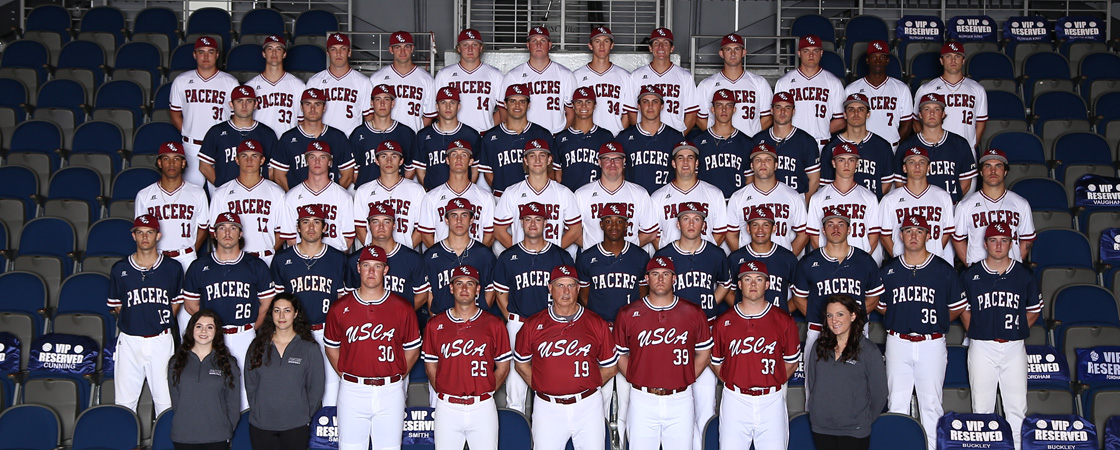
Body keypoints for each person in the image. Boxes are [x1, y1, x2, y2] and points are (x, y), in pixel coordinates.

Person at [878, 215, 967, 450]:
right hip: (898, 341)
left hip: (932, 342)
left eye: (919, 231)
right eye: (909, 231)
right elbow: (880, 304)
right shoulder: (889, 271)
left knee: (931, 405)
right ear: (901, 236)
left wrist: (937, 321)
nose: (914, 235)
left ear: (928, 235)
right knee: (896, 403)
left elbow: (958, 306)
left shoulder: (943, 269)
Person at [324, 245, 421, 450]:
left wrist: (399, 375)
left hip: (390, 389)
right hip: (352, 390)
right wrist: (346, 374)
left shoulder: (402, 307)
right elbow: (332, 347)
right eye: (366, 265)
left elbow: (412, 349)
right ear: (358, 268)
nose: (371, 271)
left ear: (385, 270)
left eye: (377, 266)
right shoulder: (340, 307)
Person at [651, 202, 732, 448]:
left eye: (696, 219)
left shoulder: (716, 254)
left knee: (705, 404)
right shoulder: (664, 254)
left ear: (703, 224)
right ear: (678, 224)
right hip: (674, 334)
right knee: (676, 399)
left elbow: (725, 284)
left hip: (705, 331)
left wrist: (708, 305)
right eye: (686, 219)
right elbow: (655, 289)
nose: (691, 224)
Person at [514, 265, 619, 450]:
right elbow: (521, 365)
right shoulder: (533, 324)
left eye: (571, 285)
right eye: (560, 285)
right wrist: (543, 385)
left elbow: (610, 367)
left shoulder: (595, 323)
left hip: (588, 406)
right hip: (547, 408)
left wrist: (586, 385)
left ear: (578, 289)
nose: (566, 291)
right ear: (550, 288)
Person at [614, 256, 713, 450]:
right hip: (643, 399)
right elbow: (620, 355)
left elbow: (704, 352)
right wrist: (637, 377)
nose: (660, 279)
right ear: (647, 279)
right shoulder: (628, 313)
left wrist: (685, 376)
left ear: (674, 279)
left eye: (666, 274)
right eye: (655, 274)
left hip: (680, 399)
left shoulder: (693, 312)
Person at [960, 221, 1042, 450]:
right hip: (982, 346)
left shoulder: (1024, 274)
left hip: (1014, 347)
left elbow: (1034, 309)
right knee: (982, 408)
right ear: (985, 244)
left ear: (1011, 243)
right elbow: (963, 309)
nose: (998, 245)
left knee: (1016, 408)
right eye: (994, 240)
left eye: (1004, 240)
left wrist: (1016, 330)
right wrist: (975, 328)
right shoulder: (971, 274)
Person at [182, 212, 276, 409]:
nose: (227, 232)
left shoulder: (255, 265)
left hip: (244, 334)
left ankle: (243, 438)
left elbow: (266, 304)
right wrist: (210, 329)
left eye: (233, 228)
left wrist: (251, 327)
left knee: (246, 389)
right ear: (214, 234)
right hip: (211, 338)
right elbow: (191, 305)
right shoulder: (199, 266)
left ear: (240, 233)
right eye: (222, 228)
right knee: (211, 387)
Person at [575, 203, 649, 446]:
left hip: (629, 332)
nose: (614, 226)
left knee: (629, 394)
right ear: (601, 224)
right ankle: (603, 442)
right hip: (602, 331)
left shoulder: (639, 256)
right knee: (601, 393)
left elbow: (643, 294)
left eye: (619, 221)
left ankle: (626, 443)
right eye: (609, 221)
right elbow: (584, 296)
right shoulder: (587, 257)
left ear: (627, 225)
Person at [492, 202, 574, 413]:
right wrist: (511, 316)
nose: (533, 224)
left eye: (538, 219)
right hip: (519, 324)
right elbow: (501, 294)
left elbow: (570, 293)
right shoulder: (508, 257)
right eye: (528, 219)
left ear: (546, 223)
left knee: (551, 381)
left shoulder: (560, 256)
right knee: (515, 387)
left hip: (551, 326)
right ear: (521, 222)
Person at [711, 261, 801, 450]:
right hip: (735, 400)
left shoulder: (784, 320)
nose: (753, 284)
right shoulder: (724, 321)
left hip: (771, 400)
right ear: (740, 284)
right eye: (747, 279)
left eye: (759, 279)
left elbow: (791, 362)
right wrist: (735, 380)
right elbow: (716, 362)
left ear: (767, 284)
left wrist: (770, 380)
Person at [423, 265, 511, 450]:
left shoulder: (494, 324)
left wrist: (486, 390)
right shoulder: (435, 324)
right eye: (459, 283)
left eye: (470, 284)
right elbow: (430, 365)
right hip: (447, 407)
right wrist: (443, 389)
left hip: (483, 406)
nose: (464, 289)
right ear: (451, 287)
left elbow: (503, 366)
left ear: (478, 289)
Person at [270, 205, 348, 406]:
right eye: (305, 222)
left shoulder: (338, 258)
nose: (311, 227)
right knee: (295, 388)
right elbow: (277, 304)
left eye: (316, 222)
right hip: (294, 333)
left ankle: (330, 434)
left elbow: (344, 303)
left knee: (332, 389)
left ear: (324, 227)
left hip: (327, 332)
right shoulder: (282, 260)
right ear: (298, 227)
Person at [108, 214, 183, 416]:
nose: (144, 237)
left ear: (158, 235)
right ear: (133, 236)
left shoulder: (172, 267)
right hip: (130, 341)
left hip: (161, 340)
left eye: (149, 232)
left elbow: (176, 303)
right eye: (139, 232)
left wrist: (157, 320)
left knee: (166, 404)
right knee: (124, 404)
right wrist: (137, 319)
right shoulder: (120, 268)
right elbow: (117, 305)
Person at [135, 141, 211, 335]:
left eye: (177, 159)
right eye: (166, 159)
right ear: (159, 163)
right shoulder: (144, 195)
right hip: (156, 258)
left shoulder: (197, 192)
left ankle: (189, 363)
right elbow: (141, 231)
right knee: (157, 313)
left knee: (190, 315)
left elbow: (203, 228)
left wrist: (190, 250)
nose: (171, 163)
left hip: (186, 257)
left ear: (184, 164)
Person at [792, 208, 884, 362]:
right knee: (816, 383)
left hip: (856, 330)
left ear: (849, 229)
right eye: (830, 224)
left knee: (856, 382)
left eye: (841, 224)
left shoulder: (864, 260)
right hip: (818, 330)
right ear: (823, 230)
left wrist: (851, 319)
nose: (835, 229)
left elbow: (874, 296)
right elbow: (798, 298)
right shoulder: (808, 262)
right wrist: (824, 320)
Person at [805, 295, 888, 450]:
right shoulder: (819, 346)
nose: (834, 320)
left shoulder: (869, 351)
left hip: (854, 430)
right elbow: (813, 382)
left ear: (853, 316)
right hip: (821, 428)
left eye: (840, 314)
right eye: (830, 315)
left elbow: (879, 394)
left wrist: (861, 420)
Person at [244, 294, 325, 450]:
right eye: (277, 310)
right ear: (271, 314)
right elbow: (251, 384)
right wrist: (258, 410)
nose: (281, 316)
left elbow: (316, 387)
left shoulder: (309, 348)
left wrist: (304, 415)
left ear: (295, 314)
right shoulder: (257, 346)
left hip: (296, 425)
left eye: (287, 310)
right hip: (262, 425)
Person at [169, 36, 240, 187]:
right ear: (195, 55)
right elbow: (175, 114)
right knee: (191, 195)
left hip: (220, 145)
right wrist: (188, 131)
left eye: (210, 52)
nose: (206, 56)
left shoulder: (230, 82)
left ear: (217, 55)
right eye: (201, 52)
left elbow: (237, 116)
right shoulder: (181, 81)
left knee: (221, 192)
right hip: (192, 146)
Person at [207, 139, 289, 267]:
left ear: (262, 160)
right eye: (244, 156)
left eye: (254, 156)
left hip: (265, 258)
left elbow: (283, 231)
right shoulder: (221, 193)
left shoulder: (276, 192)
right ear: (237, 160)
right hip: (231, 259)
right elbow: (214, 231)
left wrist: (270, 250)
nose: (249, 160)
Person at [493, 139, 582, 255]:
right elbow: (499, 230)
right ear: (526, 160)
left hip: (552, 260)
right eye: (532, 155)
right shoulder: (512, 192)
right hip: (522, 262)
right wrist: (520, 252)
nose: (537, 160)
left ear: (549, 159)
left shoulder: (563, 193)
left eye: (542, 155)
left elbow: (575, 230)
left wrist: (552, 252)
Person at [168, 310, 242, 450]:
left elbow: (233, 403)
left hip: (217, 436)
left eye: (210, 327)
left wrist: (226, 430)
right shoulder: (176, 362)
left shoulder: (228, 363)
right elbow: (176, 400)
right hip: (184, 436)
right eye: (199, 326)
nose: (204, 331)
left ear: (216, 332)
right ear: (191, 329)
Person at [952, 148, 1036, 265]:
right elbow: (957, 239)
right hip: (979, 272)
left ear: (1005, 171)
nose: (993, 171)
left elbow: (1028, 238)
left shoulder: (1021, 203)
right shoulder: (966, 205)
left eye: (998, 166)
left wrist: (1015, 264)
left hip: (1011, 274)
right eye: (987, 166)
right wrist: (971, 266)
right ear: (981, 172)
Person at [725, 142, 810, 253]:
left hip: (781, 264)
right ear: (752, 166)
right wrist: (743, 258)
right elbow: (730, 234)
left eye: (768, 160)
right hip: (749, 266)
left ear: (776, 165)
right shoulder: (738, 197)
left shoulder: (792, 196)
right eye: (758, 160)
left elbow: (803, 233)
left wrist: (789, 259)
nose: (763, 163)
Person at [806, 143, 883, 263]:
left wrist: (860, 261)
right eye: (841, 160)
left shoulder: (869, 197)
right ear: (833, 163)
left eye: (851, 160)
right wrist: (827, 260)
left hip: (860, 262)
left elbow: (873, 237)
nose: (846, 164)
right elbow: (814, 237)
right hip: (827, 263)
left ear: (857, 163)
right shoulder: (818, 198)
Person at [575, 142, 660, 248]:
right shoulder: (582, 194)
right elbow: (572, 232)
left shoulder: (640, 193)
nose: (612, 164)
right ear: (599, 162)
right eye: (607, 159)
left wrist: (629, 250)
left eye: (617, 159)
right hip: (594, 262)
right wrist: (591, 249)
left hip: (628, 261)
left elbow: (651, 232)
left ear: (624, 161)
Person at [877, 146, 955, 262]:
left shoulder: (943, 197)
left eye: (922, 162)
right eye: (912, 162)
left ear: (928, 168)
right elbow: (884, 236)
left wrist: (933, 256)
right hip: (902, 264)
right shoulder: (890, 199)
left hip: (934, 263)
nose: (917, 166)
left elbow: (947, 231)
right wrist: (899, 260)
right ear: (904, 168)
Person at [421, 198, 497, 316]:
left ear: (472, 220)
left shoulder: (484, 254)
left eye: (464, 215)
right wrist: (436, 319)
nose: (459, 220)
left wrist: (479, 318)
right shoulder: (431, 255)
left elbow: (490, 291)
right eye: (454, 215)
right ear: (446, 219)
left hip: (476, 321)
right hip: (442, 321)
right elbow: (428, 293)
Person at [895, 93, 976, 203]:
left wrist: (949, 203)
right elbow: (900, 183)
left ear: (943, 114)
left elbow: (966, 182)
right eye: (927, 109)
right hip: (915, 207)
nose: (932, 113)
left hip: (950, 207)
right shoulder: (907, 145)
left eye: (937, 109)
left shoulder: (959, 143)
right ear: (920, 114)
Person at [279, 141, 356, 252]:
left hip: (334, 259)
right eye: (312, 157)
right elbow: (291, 238)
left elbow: (348, 239)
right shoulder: (291, 196)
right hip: (302, 259)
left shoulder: (344, 197)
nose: (317, 161)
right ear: (306, 161)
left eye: (323, 157)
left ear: (330, 162)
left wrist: (337, 260)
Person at [271, 89, 355, 190]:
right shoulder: (287, 138)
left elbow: (348, 175)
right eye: (308, 104)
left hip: (329, 202)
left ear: (324, 107)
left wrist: (333, 196)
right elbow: (279, 176)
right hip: (298, 202)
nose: (312, 109)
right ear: (301, 107)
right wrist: (293, 198)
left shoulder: (338, 137)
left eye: (317, 104)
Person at [480, 83, 555, 196]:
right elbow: (488, 173)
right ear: (505, 104)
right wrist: (505, 195)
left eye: (522, 101)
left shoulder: (542, 134)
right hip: (502, 196)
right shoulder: (491, 137)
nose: (517, 105)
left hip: (535, 196)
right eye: (512, 101)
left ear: (528, 105)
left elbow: (551, 171)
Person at [497, 27, 576, 134]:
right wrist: (515, 134)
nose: (538, 45)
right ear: (528, 45)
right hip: (524, 137)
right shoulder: (514, 75)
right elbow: (502, 109)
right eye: (534, 41)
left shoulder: (565, 74)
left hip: (555, 135)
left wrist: (561, 136)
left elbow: (572, 112)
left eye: (543, 41)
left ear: (549, 45)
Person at [416, 140, 496, 246]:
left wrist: (477, 256)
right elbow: (426, 236)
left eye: (463, 154)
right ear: (447, 160)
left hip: (475, 259)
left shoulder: (485, 197)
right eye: (454, 154)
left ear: (471, 161)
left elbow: (490, 236)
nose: (458, 159)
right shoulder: (431, 197)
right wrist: (442, 257)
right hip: (443, 259)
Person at [773, 35, 846, 150]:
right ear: (799, 53)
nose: (811, 55)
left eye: (815, 51)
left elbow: (841, 120)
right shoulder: (784, 82)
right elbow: (777, 116)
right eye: (806, 51)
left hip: (821, 144)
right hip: (792, 142)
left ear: (821, 53)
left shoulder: (833, 82)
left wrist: (822, 131)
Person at [650, 141, 729, 247]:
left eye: (690, 158)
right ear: (673, 163)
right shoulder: (657, 197)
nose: (685, 162)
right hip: (671, 260)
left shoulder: (715, 194)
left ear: (697, 163)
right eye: (680, 158)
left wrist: (705, 253)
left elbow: (720, 232)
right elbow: (654, 235)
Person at [695, 33, 774, 137]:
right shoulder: (707, 84)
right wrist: (715, 137)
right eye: (728, 49)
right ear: (721, 53)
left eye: (737, 49)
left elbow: (768, 117)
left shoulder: (759, 82)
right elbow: (700, 118)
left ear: (744, 52)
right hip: (718, 144)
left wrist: (752, 138)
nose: (733, 53)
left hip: (750, 143)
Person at [198, 87, 278, 188]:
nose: (244, 105)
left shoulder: (267, 133)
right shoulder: (216, 132)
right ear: (231, 104)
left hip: (259, 192)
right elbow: (204, 166)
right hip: (226, 194)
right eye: (239, 101)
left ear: (255, 104)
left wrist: (261, 186)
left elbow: (275, 169)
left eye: (249, 101)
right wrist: (221, 186)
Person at [819, 93, 895, 199]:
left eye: (861, 109)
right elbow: (825, 184)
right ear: (845, 114)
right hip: (840, 208)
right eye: (851, 109)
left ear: (868, 114)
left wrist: (871, 202)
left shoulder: (882, 146)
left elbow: (887, 183)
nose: (856, 113)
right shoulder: (831, 147)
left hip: (870, 209)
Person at [353, 139, 426, 249]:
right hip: (374, 258)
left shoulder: (416, 190)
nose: (389, 160)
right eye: (383, 156)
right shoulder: (363, 191)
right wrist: (373, 251)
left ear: (401, 161)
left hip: (405, 255)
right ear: (377, 161)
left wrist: (405, 252)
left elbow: (421, 228)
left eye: (394, 156)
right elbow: (360, 228)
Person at [914, 42, 988, 150]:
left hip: (965, 151)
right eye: (948, 56)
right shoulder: (927, 89)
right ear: (941, 61)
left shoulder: (977, 89)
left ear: (963, 60)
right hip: (936, 150)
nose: (953, 60)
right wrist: (927, 144)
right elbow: (915, 120)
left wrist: (971, 146)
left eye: (957, 56)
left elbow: (981, 123)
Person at [727, 206, 800, 312]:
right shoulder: (735, 258)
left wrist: (781, 314)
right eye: (755, 225)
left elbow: (799, 296)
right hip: (745, 321)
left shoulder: (787, 258)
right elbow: (728, 293)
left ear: (774, 228)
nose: (760, 230)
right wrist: (744, 312)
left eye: (766, 225)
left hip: (776, 323)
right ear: (748, 228)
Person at [751, 91, 822, 201]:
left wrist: (803, 204)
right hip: (763, 199)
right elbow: (750, 175)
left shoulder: (806, 141)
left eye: (787, 108)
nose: (783, 112)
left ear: (793, 111)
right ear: (771, 110)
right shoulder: (758, 139)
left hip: (797, 198)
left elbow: (814, 180)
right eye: (778, 107)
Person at [845, 40, 913, 150]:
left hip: (891, 147)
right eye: (873, 57)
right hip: (861, 147)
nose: (877, 61)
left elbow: (907, 123)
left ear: (887, 61)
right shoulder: (852, 89)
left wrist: (895, 144)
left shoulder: (901, 88)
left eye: (882, 57)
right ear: (867, 60)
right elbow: (845, 121)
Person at [687, 88, 754, 199]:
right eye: (719, 105)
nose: (724, 110)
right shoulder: (698, 141)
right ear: (712, 109)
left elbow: (750, 179)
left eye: (728, 106)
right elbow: (692, 177)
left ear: (734, 109)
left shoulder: (746, 142)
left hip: (735, 202)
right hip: (707, 202)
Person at [412, 86, 482, 190]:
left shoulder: (471, 135)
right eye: (443, 102)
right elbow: (421, 170)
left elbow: (475, 169)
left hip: (463, 195)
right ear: (437, 106)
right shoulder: (423, 135)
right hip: (433, 194)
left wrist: (466, 191)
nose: (448, 107)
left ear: (458, 106)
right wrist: (431, 192)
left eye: (452, 103)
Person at [617, 85, 684, 194]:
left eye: (655, 101)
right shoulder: (624, 138)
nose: (650, 106)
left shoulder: (675, 137)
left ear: (662, 106)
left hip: (666, 198)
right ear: (638, 106)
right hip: (634, 199)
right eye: (645, 101)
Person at [630, 27, 699, 133]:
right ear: (650, 48)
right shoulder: (637, 75)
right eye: (656, 43)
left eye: (665, 43)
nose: (660, 47)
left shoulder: (685, 76)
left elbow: (692, 114)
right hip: (645, 137)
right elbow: (631, 111)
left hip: (674, 138)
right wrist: (641, 134)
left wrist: (679, 137)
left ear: (672, 48)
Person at [434, 29, 504, 133]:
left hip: (483, 135)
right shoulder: (444, 74)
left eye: (474, 45)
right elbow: (436, 110)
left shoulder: (495, 74)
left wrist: (489, 129)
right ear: (458, 48)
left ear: (481, 48)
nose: (470, 49)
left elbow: (504, 110)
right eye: (465, 45)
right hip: (452, 135)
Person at [350, 84, 417, 187]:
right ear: (372, 103)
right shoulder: (359, 133)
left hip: (397, 194)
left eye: (386, 99)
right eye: (378, 99)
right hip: (367, 195)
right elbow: (354, 173)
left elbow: (410, 170)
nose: (382, 104)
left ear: (393, 103)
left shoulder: (405, 133)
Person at [573, 26, 636, 135]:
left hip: (614, 138)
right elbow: (572, 111)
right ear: (590, 45)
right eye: (597, 41)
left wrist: (618, 135)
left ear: (612, 45)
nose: (602, 45)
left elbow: (627, 114)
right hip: (584, 137)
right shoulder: (576, 76)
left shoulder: (625, 76)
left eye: (606, 41)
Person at [368, 31, 435, 132]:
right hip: (383, 138)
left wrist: (415, 135)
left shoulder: (427, 79)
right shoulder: (377, 78)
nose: (402, 52)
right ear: (391, 50)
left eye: (406, 47)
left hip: (413, 138)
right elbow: (370, 113)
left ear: (412, 49)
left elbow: (428, 116)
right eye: (398, 47)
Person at [307, 33, 373, 134]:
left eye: (343, 49)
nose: (338, 53)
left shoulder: (363, 81)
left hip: (350, 141)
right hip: (322, 141)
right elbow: (306, 118)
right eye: (333, 49)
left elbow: (370, 118)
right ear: (328, 53)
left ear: (349, 52)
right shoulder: (314, 81)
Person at [553, 87, 615, 192]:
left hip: (597, 196)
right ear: (572, 105)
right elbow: (557, 175)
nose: (584, 106)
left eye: (588, 102)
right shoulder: (560, 138)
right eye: (579, 102)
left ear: (595, 105)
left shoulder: (606, 136)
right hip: (570, 196)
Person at [247, 35, 306, 138]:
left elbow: (302, 122)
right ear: (263, 54)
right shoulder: (250, 86)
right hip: (259, 144)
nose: (274, 53)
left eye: (278, 49)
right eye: (270, 49)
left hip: (288, 144)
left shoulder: (298, 86)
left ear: (284, 54)